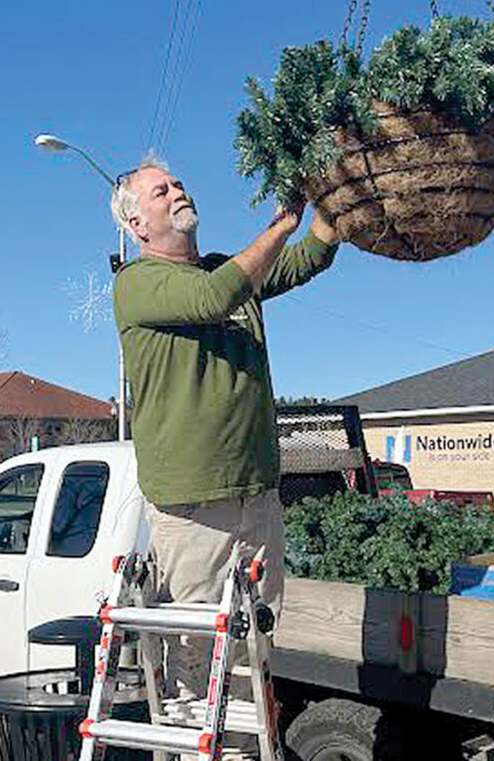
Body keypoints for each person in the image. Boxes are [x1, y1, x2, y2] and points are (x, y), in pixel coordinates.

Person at [110, 153, 339, 743]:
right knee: (199, 658)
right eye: (161, 192)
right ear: (137, 225)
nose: (177, 192)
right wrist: (280, 225)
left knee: (254, 644)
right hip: (193, 506)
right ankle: (208, 754)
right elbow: (217, 295)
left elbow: (300, 262)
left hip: (256, 494)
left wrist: (334, 207)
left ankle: (241, 752)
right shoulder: (138, 284)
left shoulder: (224, 271)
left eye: (179, 183)